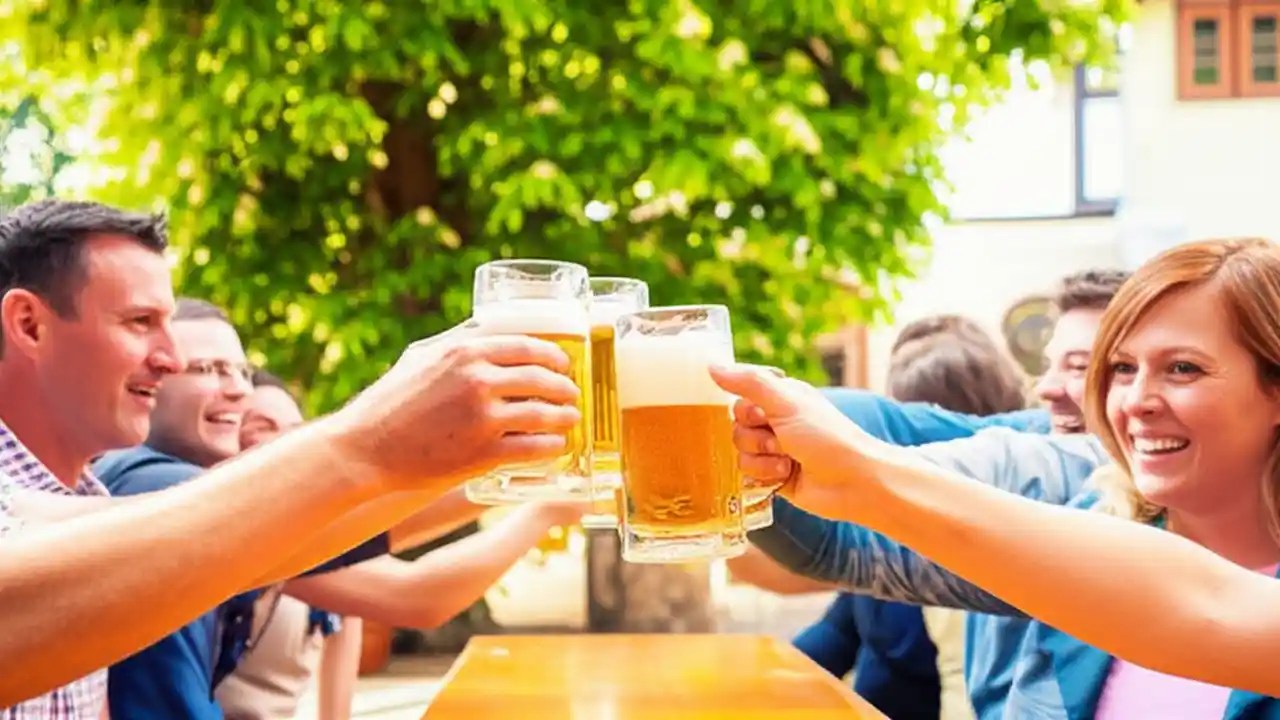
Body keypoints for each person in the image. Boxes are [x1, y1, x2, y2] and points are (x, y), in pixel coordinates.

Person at [0, 200, 580, 710]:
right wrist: (374, 436)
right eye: (139, 322)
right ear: (28, 325)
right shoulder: (139, 484)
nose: (171, 359)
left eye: (238, 370)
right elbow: (377, 573)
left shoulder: (79, 497)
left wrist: (514, 458)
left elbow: (297, 535)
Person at [717, 238, 1280, 714]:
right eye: (1122, 369)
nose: (1136, 400)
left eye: (1183, 368)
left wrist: (861, 472)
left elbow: (1197, 604)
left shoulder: (1078, 514)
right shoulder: (1091, 511)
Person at [737, 270, 1125, 720]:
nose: (1047, 388)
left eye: (1079, 367)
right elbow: (830, 589)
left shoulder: (1056, 478)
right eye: (1049, 365)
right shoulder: (1036, 456)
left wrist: (780, 443)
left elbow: (829, 553)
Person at [217, 370, 586, 720]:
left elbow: (352, 603)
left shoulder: (316, 551)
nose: (282, 447)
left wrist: (524, 479)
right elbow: (417, 594)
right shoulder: (245, 540)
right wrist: (540, 505)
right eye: (261, 429)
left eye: (293, 434)